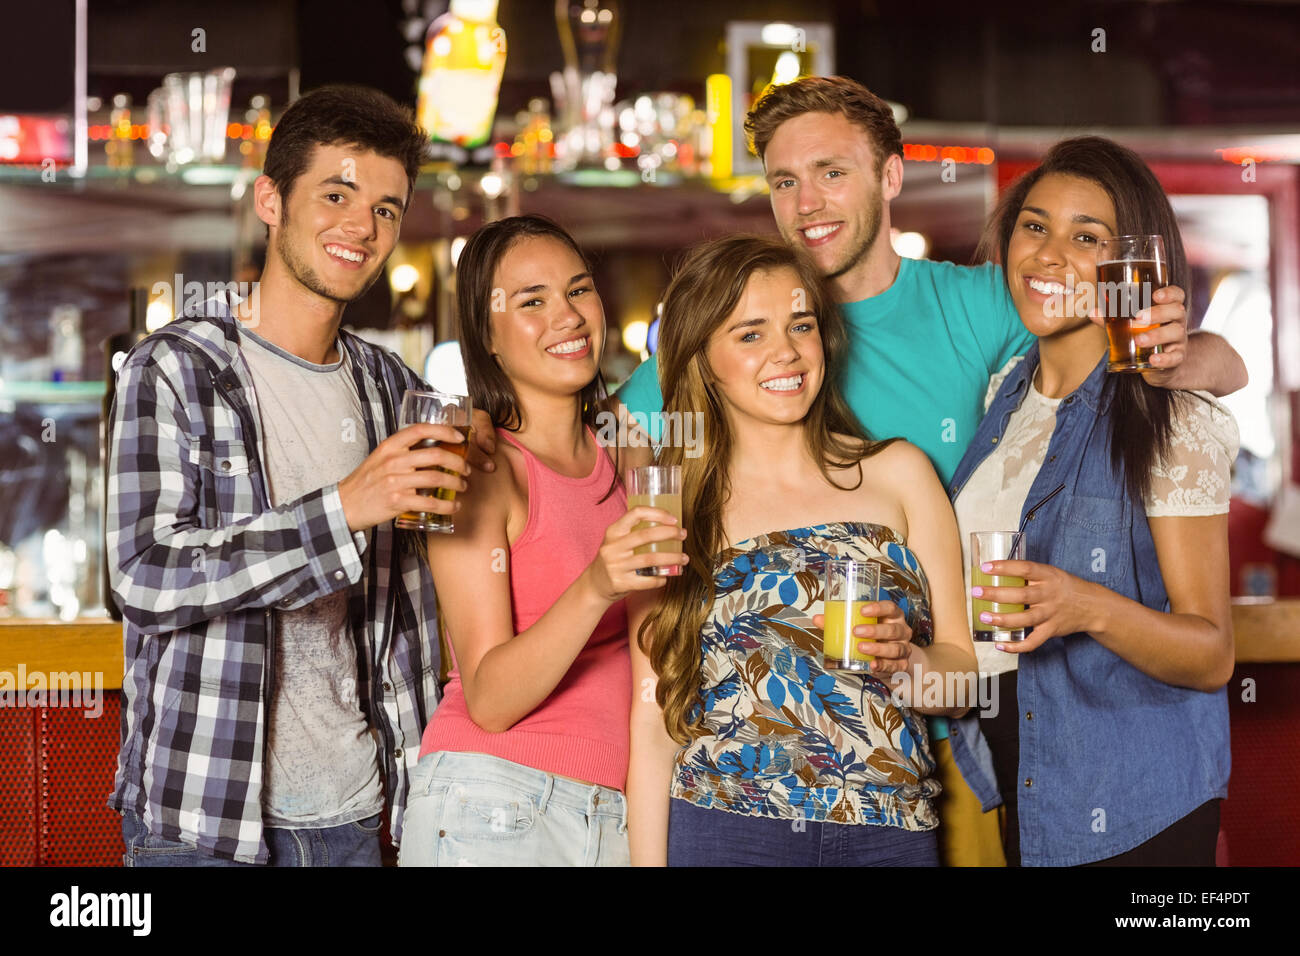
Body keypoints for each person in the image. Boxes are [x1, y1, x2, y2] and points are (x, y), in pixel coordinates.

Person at [615, 75, 1247, 866]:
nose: (807, 202)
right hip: (857, 767)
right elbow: (617, 444)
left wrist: (1200, 356)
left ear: (889, 177)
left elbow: (1105, 349)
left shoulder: (989, 304)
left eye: (832, 172)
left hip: (950, 746)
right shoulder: (738, 325)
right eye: (785, 180)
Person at [107, 85, 493, 866]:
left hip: (358, 818)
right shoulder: (180, 368)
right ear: (271, 200)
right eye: (338, 194)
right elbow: (143, 577)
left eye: (387, 208)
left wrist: (499, 460)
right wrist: (343, 509)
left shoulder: (391, 386)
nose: (362, 226)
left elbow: (413, 613)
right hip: (205, 824)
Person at [626, 234, 977, 867]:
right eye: (750, 334)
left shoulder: (901, 473)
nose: (786, 352)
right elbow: (652, 722)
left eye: (801, 324)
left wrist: (909, 661)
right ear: (704, 360)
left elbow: (960, 681)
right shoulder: (674, 506)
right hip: (727, 829)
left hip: (888, 830)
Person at [948, 136, 1236, 866]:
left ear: (1129, 265)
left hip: (1139, 807)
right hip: (1027, 783)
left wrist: (1085, 607)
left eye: (1086, 237)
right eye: (1035, 225)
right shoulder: (1004, 393)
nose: (1048, 255)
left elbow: (1211, 655)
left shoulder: (1174, 417)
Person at [398, 215, 680, 867]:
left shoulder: (626, 443)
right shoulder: (474, 468)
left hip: (616, 810)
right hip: (495, 803)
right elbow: (491, 699)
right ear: (487, 336)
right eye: (532, 301)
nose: (569, 316)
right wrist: (595, 585)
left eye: (578, 291)